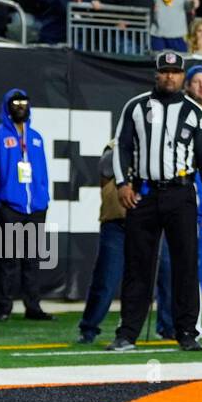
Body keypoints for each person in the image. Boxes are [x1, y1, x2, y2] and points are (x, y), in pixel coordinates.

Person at [107, 51, 202, 352]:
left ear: (182, 76)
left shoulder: (195, 112)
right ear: (155, 74)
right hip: (144, 193)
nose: (170, 76)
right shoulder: (136, 107)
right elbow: (122, 148)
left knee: (185, 265)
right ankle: (127, 333)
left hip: (181, 194)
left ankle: (186, 332)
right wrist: (122, 183)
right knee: (137, 265)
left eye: (175, 72)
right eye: (164, 71)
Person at [155, 65, 202, 340]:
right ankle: (168, 323)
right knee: (173, 264)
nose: (201, 86)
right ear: (187, 86)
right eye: (195, 81)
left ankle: (193, 322)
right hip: (183, 200)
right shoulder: (181, 114)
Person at [0, 89, 53, 321]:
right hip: (10, 207)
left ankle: (33, 307)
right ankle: (3, 308)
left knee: (32, 259)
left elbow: (42, 171)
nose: (20, 106)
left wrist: (44, 197)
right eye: (15, 102)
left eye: (24, 102)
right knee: (9, 259)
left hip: (35, 208)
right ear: (7, 106)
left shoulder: (36, 137)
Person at [77, 140, 126, 344]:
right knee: (106, 278)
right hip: (116, 220)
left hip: (148, 221)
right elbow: (106, 169)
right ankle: (89, 327)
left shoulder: (159, 143)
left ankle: (166, 327)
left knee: (157, 277)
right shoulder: (116, 145)